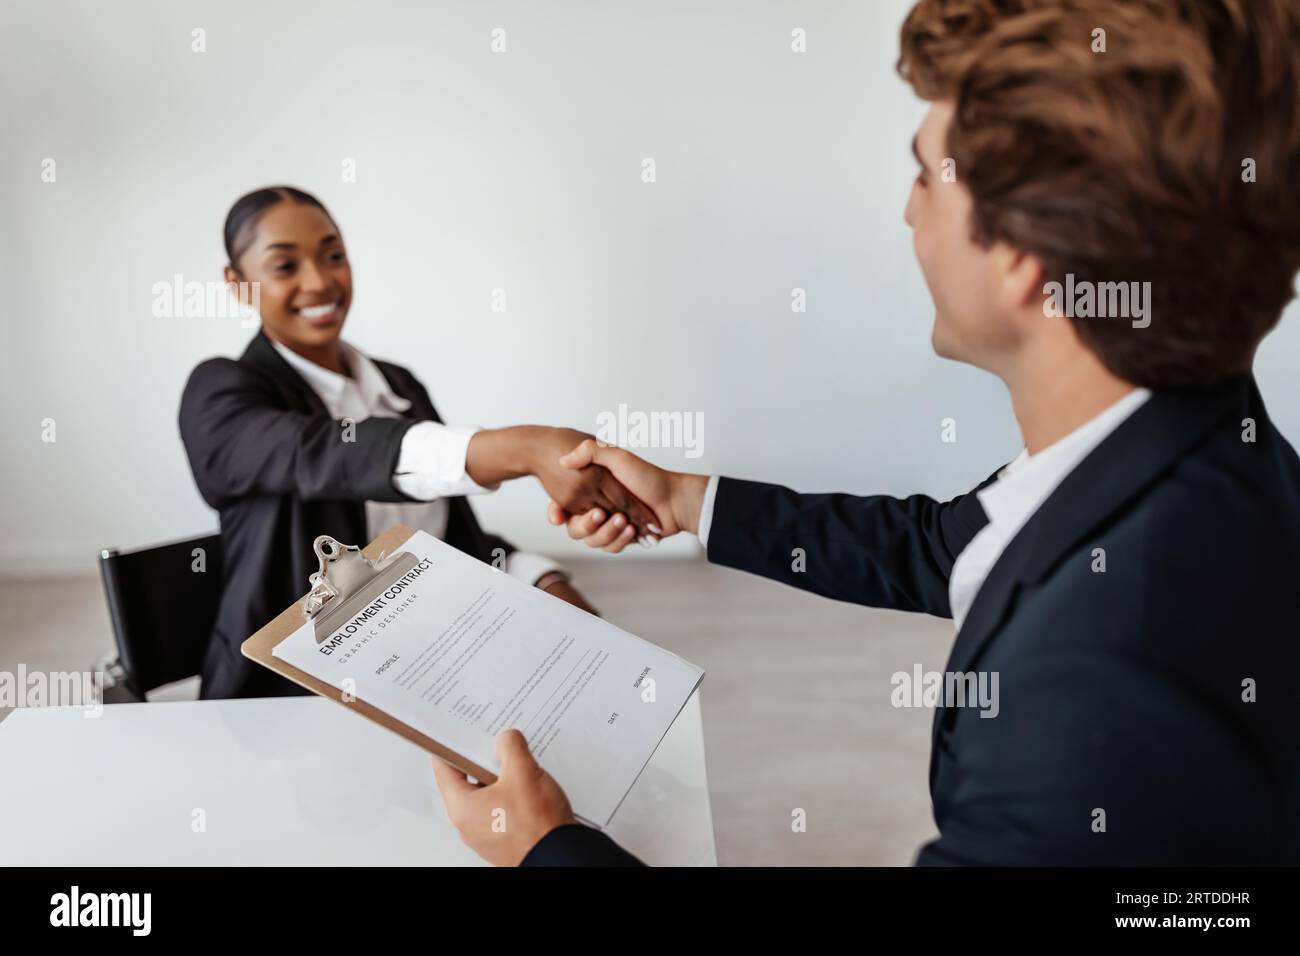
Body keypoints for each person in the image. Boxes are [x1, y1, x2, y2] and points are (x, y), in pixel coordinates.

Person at [433, 0, 1300, 866]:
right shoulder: (1195, 447)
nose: (906, 213)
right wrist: (690, 501)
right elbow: (946, 547)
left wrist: (546, 850)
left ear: (1025, 258)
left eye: (925, 176)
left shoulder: (1094, 687)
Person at [179, 186, 657, 700]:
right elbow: (324, 453)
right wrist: (523, 449)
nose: (319, 281)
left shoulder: (397, 386)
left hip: (423, 674)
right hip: (288, 701)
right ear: (237, 283)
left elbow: (451, 545)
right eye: (284, 266)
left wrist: (545, 584)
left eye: (333, 255)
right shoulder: (221, 393)